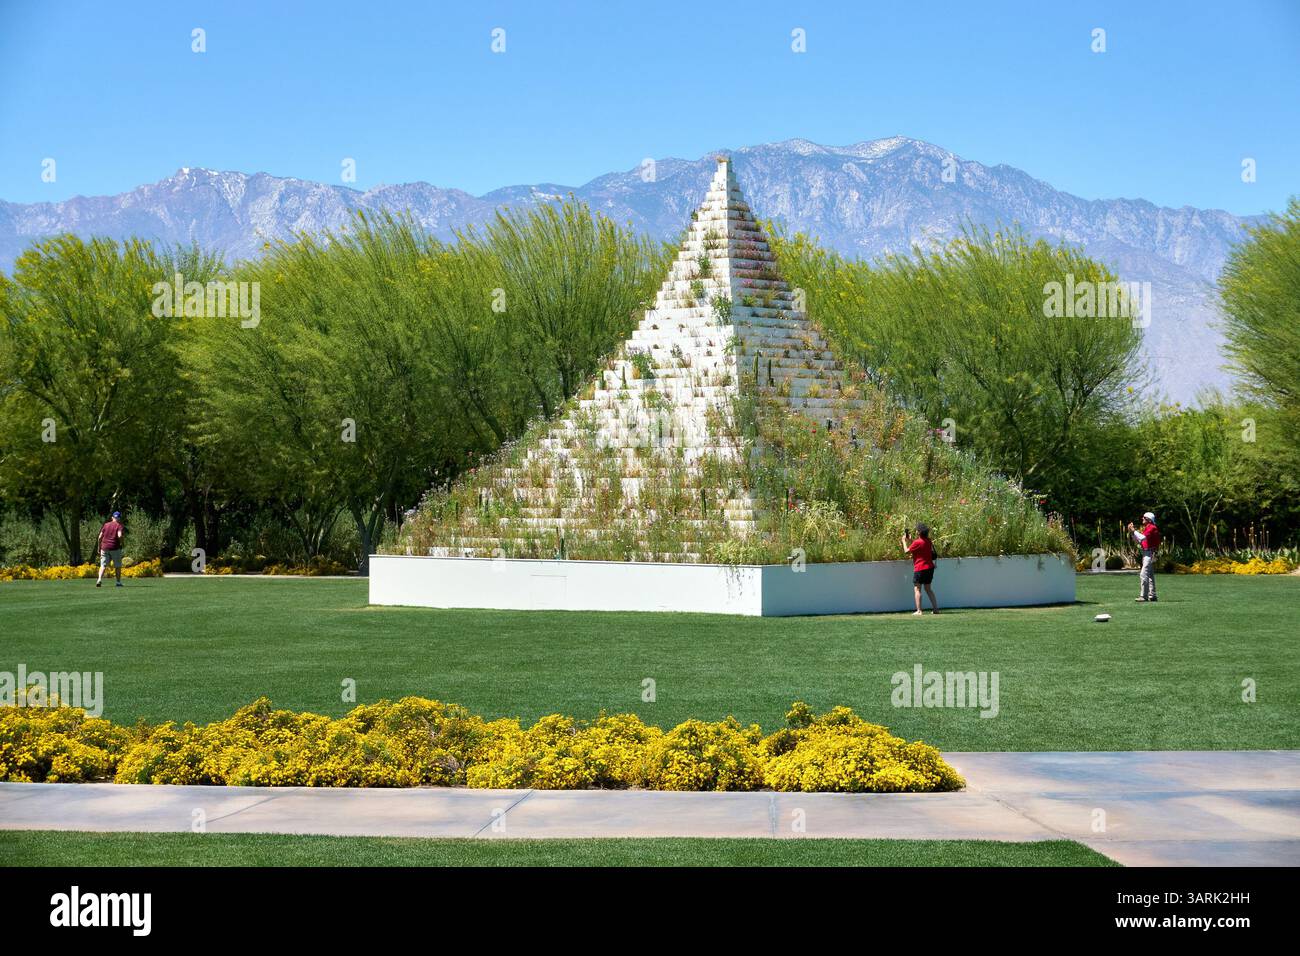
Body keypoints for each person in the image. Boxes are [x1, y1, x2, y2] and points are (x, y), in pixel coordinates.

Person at [901, 522, 939, 615]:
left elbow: (907, 551)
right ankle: (935, 609)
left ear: (918, 532)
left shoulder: (917, 542)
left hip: (920, 568)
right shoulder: (928, 541)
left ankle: (919, 610)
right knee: (928, 589)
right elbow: (919, 546)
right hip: (930, 568)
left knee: (917, 589)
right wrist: (911, 540)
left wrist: (903, 541)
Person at [1127, 511, 1161, 603]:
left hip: (1149, 553)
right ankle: (1152, 595)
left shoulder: (1152, 527)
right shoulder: (1148, 528)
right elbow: (1138, 541)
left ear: (1148, 520)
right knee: (1150, 576)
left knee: (1143, 574)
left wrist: (1134, 531)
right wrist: (1132, 533)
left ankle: (1144, 596)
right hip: (1147, 553)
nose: (1142, 519)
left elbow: (1141, 538)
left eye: (1144, 517)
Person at [96, 510, 125, 588]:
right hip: (115, 548)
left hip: (104, 548)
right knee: (117, 566)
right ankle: (118, 582)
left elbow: (99, 537)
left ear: (112, 518)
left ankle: (99, 580)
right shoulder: (119, 526)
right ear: (119, 518)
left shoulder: (106, 525)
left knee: (103, 565)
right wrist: (122, 542)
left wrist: (99, 547)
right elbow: (119, 535)